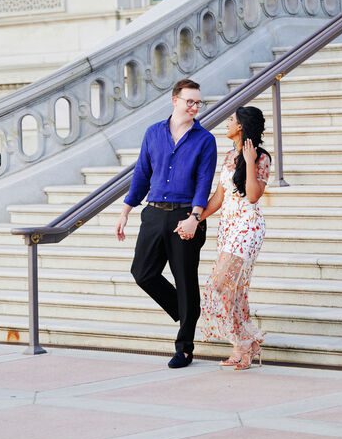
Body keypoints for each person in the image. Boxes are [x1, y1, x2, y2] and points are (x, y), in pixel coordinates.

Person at [115, 79, 217, 368]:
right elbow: (141, 174)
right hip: (154, 213)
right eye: (190, 101)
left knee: (185, 280)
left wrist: (195, 218)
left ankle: (184, 348)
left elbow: (204, 182)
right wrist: (125, 211)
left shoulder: (204, 140)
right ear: (175, 100)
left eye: (198, 102)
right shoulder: (153, 133)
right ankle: (187, 312)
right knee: (142, 272)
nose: (195, 107)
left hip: (185, 215)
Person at [191, 106, 271, 370]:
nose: (227, 123)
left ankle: (246, 341)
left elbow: (253, 195)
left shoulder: (260, 158)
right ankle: (242, 346)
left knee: (219, 284)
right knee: (231, 290)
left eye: (231, 120)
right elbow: (218, 197)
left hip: (247, 229)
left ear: (241, 127)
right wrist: (196, 218)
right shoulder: (228, 156)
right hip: (228, 228)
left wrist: (249, 162)